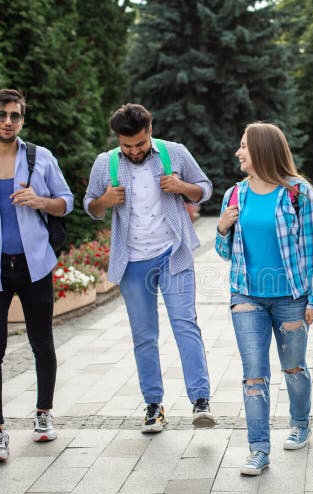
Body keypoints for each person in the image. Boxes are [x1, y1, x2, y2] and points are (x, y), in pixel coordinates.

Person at [0, 89, 74, 461]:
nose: (8, 121)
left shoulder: (41, 158)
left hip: (35, 265)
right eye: (1, 115)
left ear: (22, 120)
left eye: (15, 116)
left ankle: (43, 415)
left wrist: (40, 200)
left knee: (42, 342)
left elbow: (66, 202)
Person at [84, 103, 216, 432]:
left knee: (185, 324)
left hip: (173, 254)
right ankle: (153, 406)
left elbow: (206, 189)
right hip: (132, 262)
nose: (134, 151)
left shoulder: (174, 153)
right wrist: (104, 201)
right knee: (144, 336)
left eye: (140, 144)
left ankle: (201, 400)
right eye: (127, 146)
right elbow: (90, 206)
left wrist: (183, 188)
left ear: (150, 132)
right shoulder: (106, 163)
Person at [215, 122, 313, 476]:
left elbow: (310, 250)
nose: (238, 152)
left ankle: (300, 423)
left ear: (261, 150)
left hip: (291, 297)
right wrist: (222, 228)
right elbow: (224, 252)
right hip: (246, 296)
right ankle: (258, 450)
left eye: (243, 146)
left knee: (293, 367)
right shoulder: (235, 195)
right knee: (253, 375)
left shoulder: (298, 193)